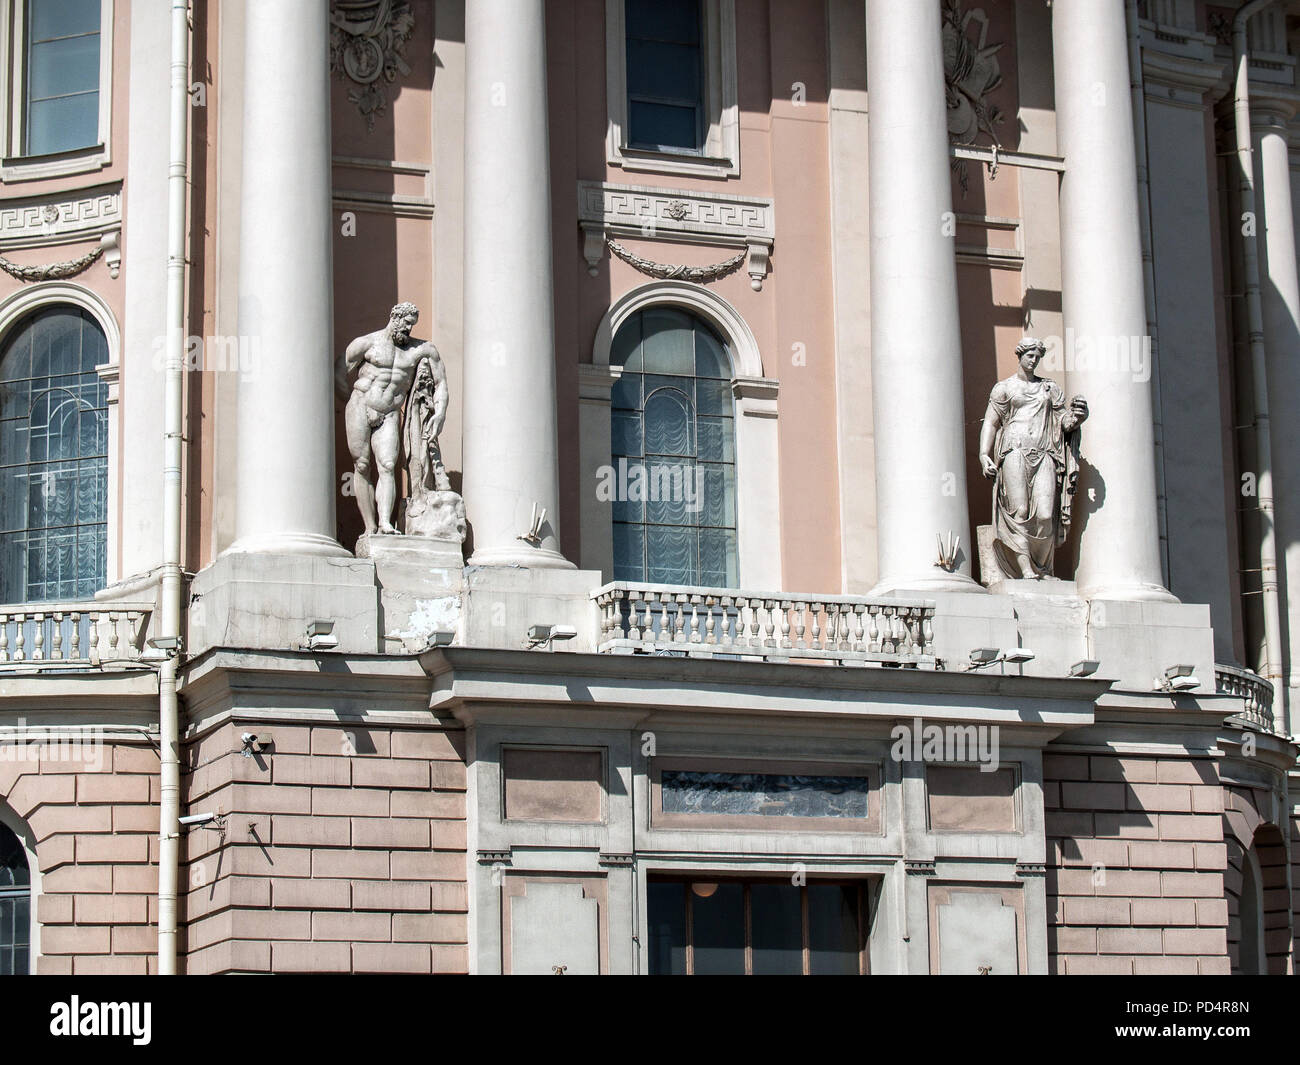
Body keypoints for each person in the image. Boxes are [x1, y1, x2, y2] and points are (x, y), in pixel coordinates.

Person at [978, 337, 1087, 580]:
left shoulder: (1049, 388)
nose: (1034, 360)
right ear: (1020, 355)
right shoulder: (1004, 388)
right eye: (1030, 355)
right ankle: (1025, 570)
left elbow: (1064, 424)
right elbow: (992, 422)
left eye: (1038, 356)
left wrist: (1078, 417)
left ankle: (1042, 568)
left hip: (1045, 452)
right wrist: (984, 455)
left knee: (1046, 514)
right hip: (1014, 450)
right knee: (1020, 510)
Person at [337, 302, 445, 537]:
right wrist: (351, 399)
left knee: (387, 465)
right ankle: (369, 527)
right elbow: (338, 371)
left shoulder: (421, 350)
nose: (408, 328)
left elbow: (441, 384)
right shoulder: (367, 343)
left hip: (390, 413)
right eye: (406, 323)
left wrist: (440, 414)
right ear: (394, 317)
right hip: (361, 405)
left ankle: (385, 523)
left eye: (412, 325)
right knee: (362, 465)